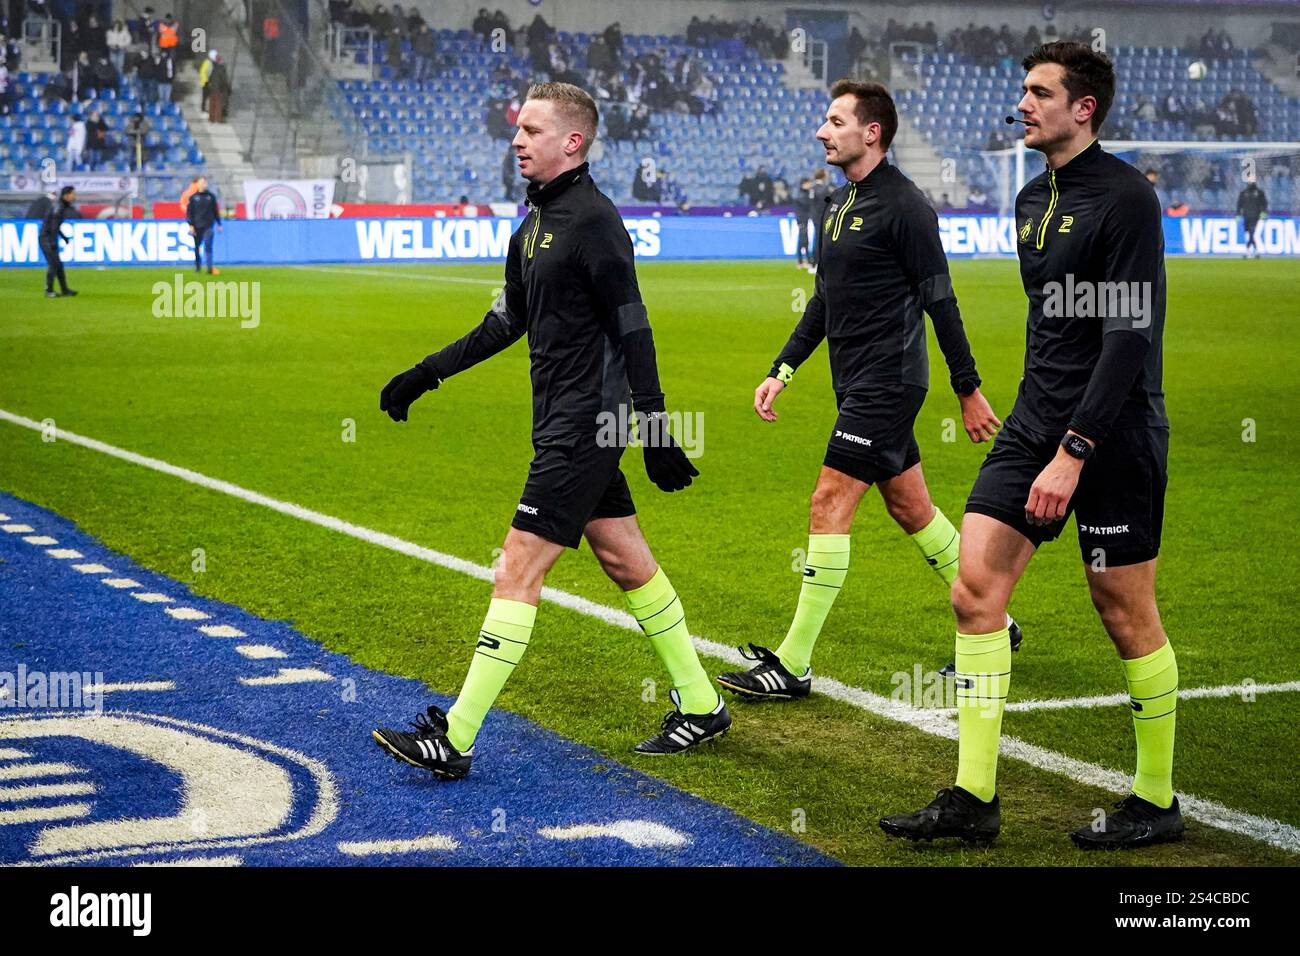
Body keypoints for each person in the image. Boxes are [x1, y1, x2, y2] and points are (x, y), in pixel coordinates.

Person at [372, 82, 726, 779]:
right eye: (517, 129)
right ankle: (703, 701)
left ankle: (458, 735)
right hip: (564, 421)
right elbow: (507, 322)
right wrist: (427, 372)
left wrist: (653, 426)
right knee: (626, 560)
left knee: (517, 562)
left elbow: (634, 324)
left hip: (589, 424)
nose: (517, 140)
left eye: (532, 129)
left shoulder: (594, 221)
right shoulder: (532, 227)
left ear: (573, 141)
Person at [880, 41, 1179, 851]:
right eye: (1024, 90)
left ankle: (1156, 800)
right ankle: (974, 798)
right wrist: (1039, 432)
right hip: (1032, 423)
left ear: (1083, 108)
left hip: (1110, 433)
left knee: (1123, 609)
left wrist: (1075, 449)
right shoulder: (1027, 196)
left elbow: (1126, 336)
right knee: (975, 589)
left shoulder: (1126, 199)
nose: (1024, 102)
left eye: (1040, 92)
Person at [716, 80, 1009, 702]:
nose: (822, 131)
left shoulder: (906, 206)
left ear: (870, 131)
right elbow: (824, 300)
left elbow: (940, 298)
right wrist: (783, 368)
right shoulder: (837, 205)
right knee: (912, 510)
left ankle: (793, 664)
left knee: (828, 502)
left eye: (834, 120)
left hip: (888, 384)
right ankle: (999, 623)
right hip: (855, 383)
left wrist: (968, 386)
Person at [40, 186, 78, 298]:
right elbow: (53, 226)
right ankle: (49, 290)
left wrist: (64, 237)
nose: (74, 196)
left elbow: (55, 226)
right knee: (53, 264)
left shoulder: (59, 206)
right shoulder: (59, 207)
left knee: (58, 265)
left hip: (48, 238)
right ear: (66, 195)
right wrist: (52, 242)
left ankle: (64, 289)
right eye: (73, 194)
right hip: (47, 239)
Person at [185, 176, 222, 274]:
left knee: (208, 245)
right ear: (198, 184)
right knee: (197, 247)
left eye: (205, 182)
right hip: (197, 226)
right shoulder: (193, 198)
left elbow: (215, 211)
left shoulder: (211, 197)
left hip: (208, 225)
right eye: (202, 182)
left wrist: (219, 224)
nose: (204, 184)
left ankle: (209, 268)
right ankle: (198, 267)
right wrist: (191, 225)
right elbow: (190, 213)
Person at [1236, 179, 1267, 258]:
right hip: (1246, 216)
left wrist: (1263, 211)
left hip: (1256, 217)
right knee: (1248, 234)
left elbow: (1264, 203)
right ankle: (1255, 251)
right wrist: (1238, 214)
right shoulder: (1243, 193)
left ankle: (1248, 251)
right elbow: (1239, 204)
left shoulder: (1259, 193)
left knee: (1252, 233)